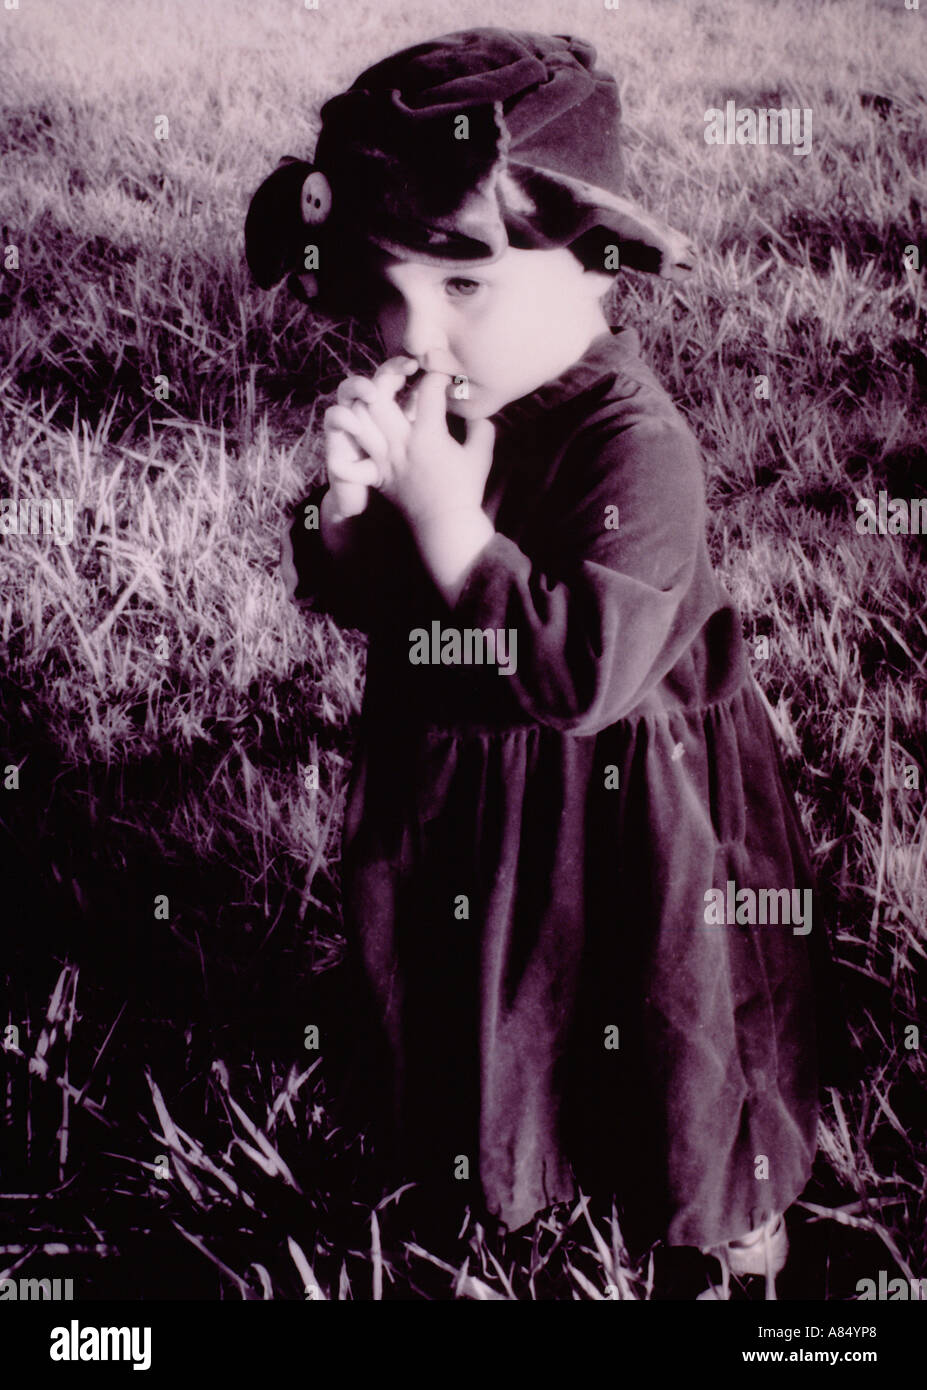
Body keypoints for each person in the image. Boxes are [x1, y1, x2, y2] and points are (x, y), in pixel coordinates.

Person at [245, 27, 833, 1296]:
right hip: (481, 804)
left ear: (599, 264)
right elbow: (369, 599)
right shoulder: (454, 406)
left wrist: (453, 527)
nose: (418, 335)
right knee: (513, 989)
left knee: (668, 1012)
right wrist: (348, 518)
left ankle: (735, 1227)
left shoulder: (641, 447)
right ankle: (512, 1150)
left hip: (632, 811)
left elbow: (586, 678)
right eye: (389, 290)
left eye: (465, 288)